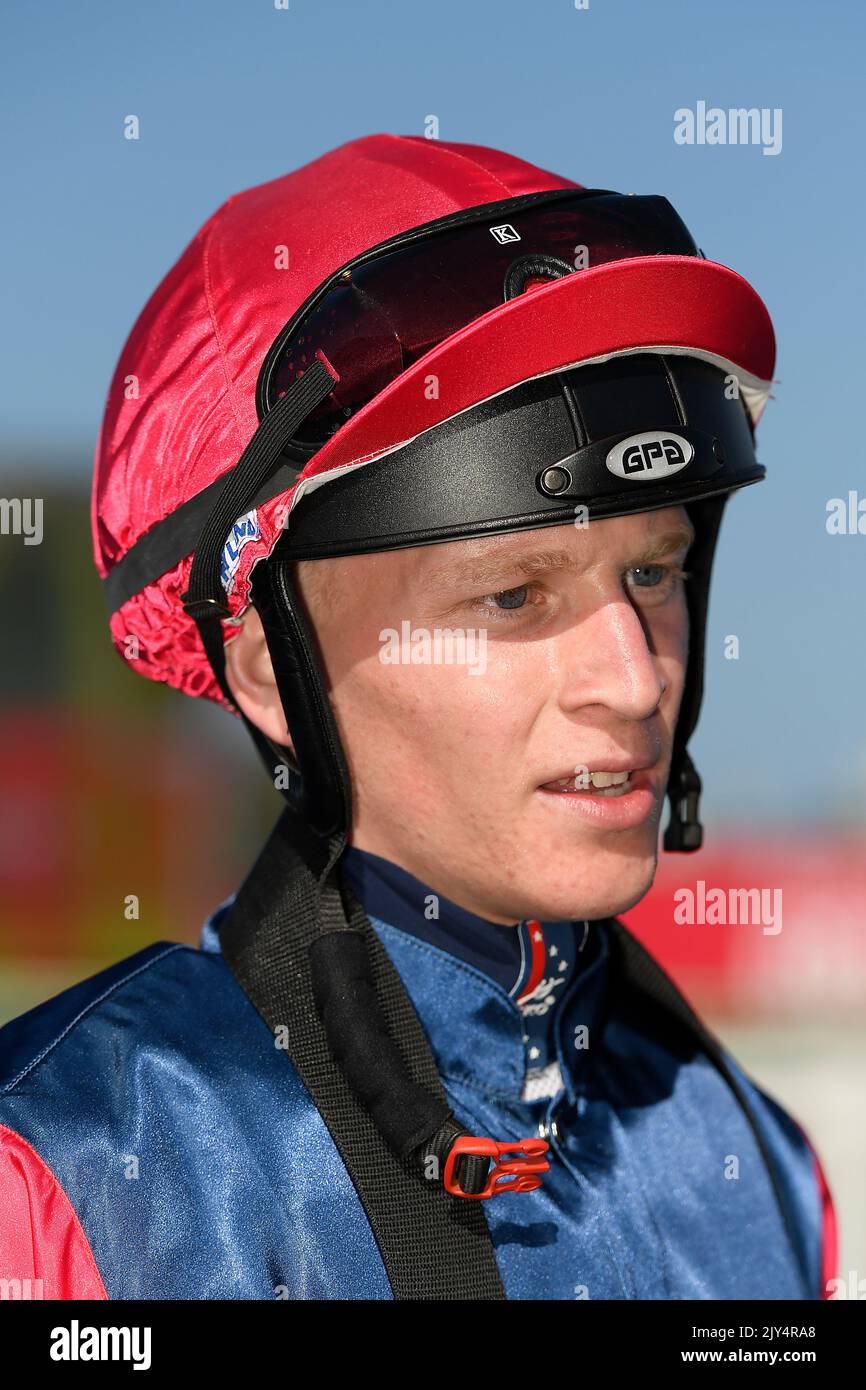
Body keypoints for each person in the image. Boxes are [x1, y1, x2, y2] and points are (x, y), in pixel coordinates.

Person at [0, 133, 836, 1300]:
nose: (635, 678)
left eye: (651, 571)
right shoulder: (65, 1176)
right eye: (512, 594)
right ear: (265, 672)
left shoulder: (757, 1166)